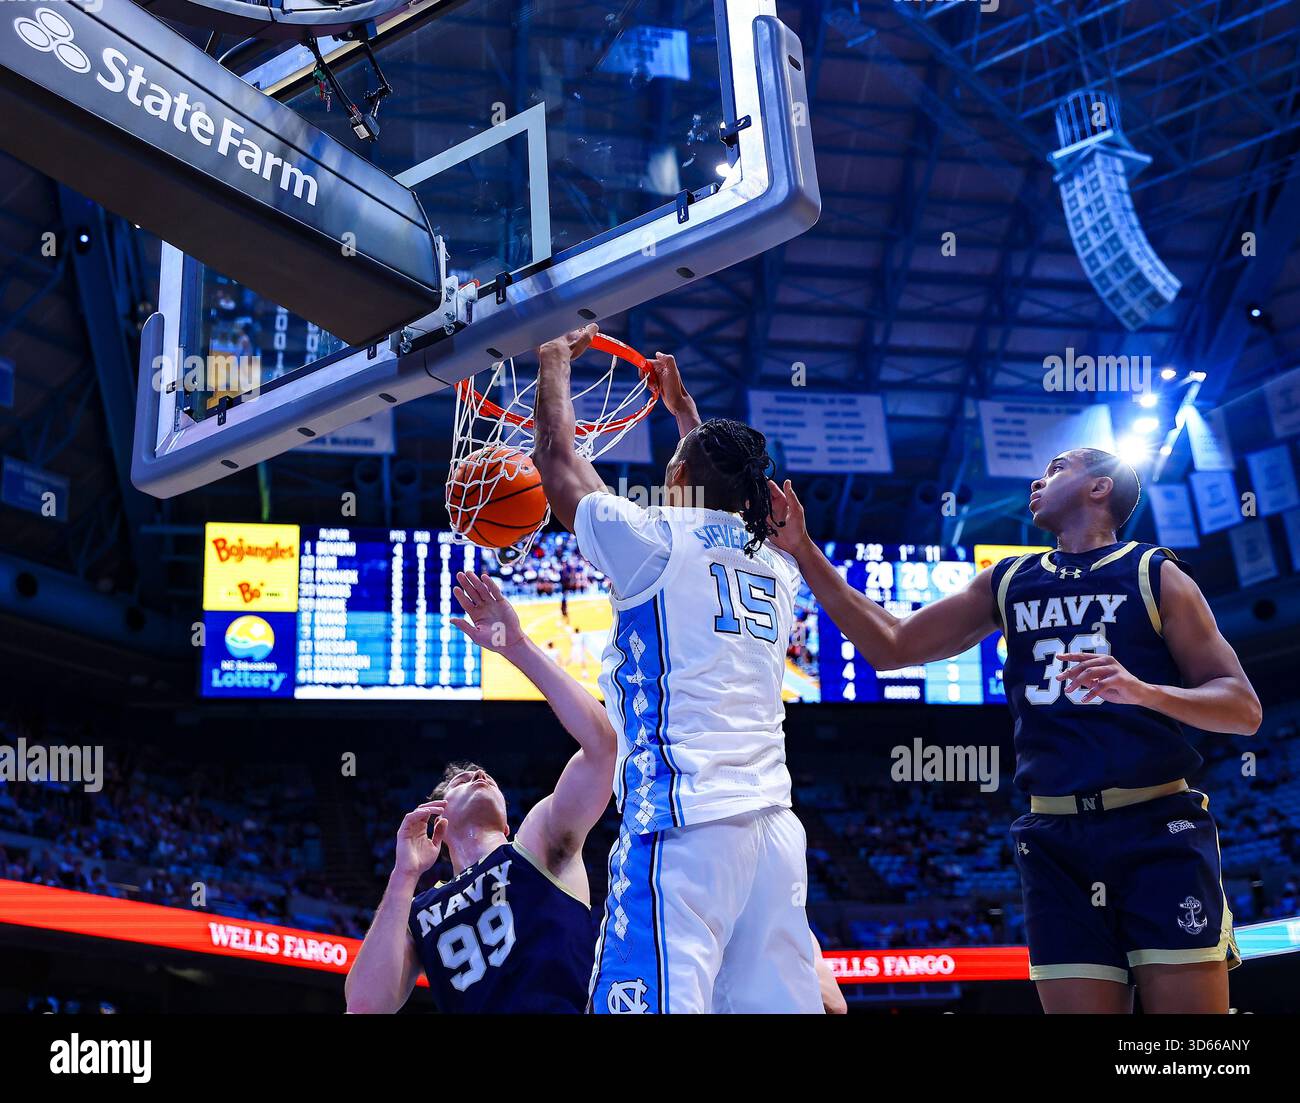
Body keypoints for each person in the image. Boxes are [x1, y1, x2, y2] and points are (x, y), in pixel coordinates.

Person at [768, 447, 1262, 1014]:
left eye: (1057, 469)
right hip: (1055, 839)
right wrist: (803, 550)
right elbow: (891, 646)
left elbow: (1242, 708)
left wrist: (1144, 691)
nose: (1036, 480)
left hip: (1157, 826)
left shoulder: (1154, 574)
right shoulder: (1008, 580)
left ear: (1100, 488)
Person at [530, 326, 822, 1014]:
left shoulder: (654, 538)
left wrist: (551, 360)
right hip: (775, 838)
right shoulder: (779, 569)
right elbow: (720, 501)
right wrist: (688, 420)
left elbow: (557, 461)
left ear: (679, 478)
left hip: (685, 821)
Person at [343, 573, 617, 1013]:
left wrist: (516, 646)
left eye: (483, 774)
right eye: (459, 779)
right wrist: (403, 878)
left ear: (508, 822)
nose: (476, 774)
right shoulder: (420, 911)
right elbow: (364, 1006)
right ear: (439, 823)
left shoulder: (537, 843)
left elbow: (602, 748)